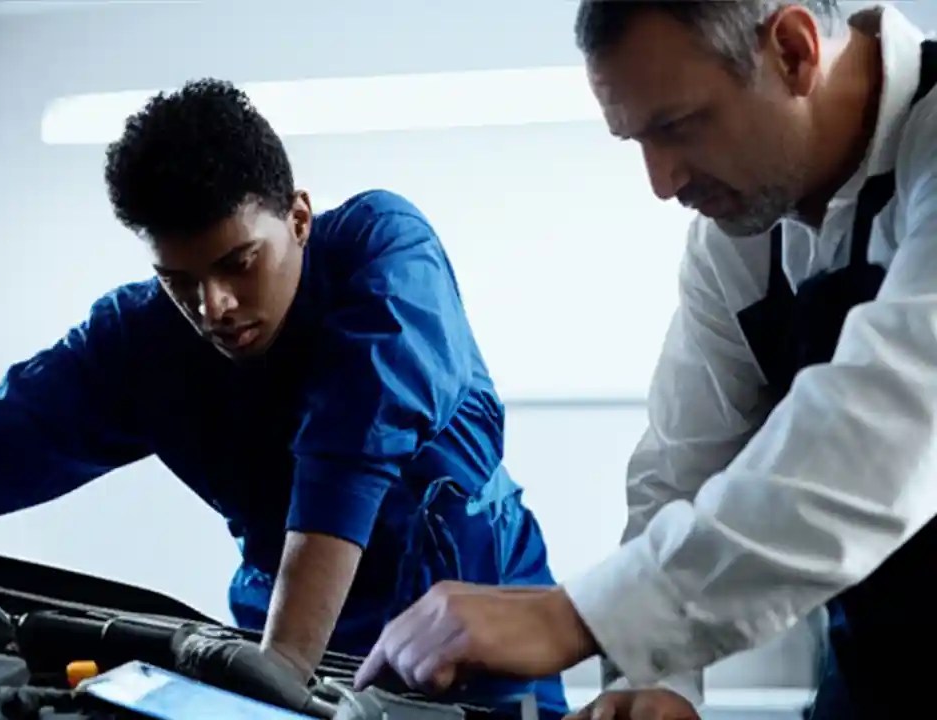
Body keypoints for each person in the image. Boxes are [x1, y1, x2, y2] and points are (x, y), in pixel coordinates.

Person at [0, 78, 569, 715]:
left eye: (237, 264)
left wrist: (286, 672)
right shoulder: (143, 342)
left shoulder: (385, 250)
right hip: (279, 642)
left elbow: (354, 435)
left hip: (477, 648)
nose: (212, 307)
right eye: (180, 280)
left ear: (297, 216)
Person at [353, 1, 937, 718]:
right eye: (636, 139)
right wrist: (651, 679)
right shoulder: (736, 241)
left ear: (792, 51)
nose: (661, 183)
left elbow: (889, 431)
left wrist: (573, 618)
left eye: (677, 126)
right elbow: (677, 472)